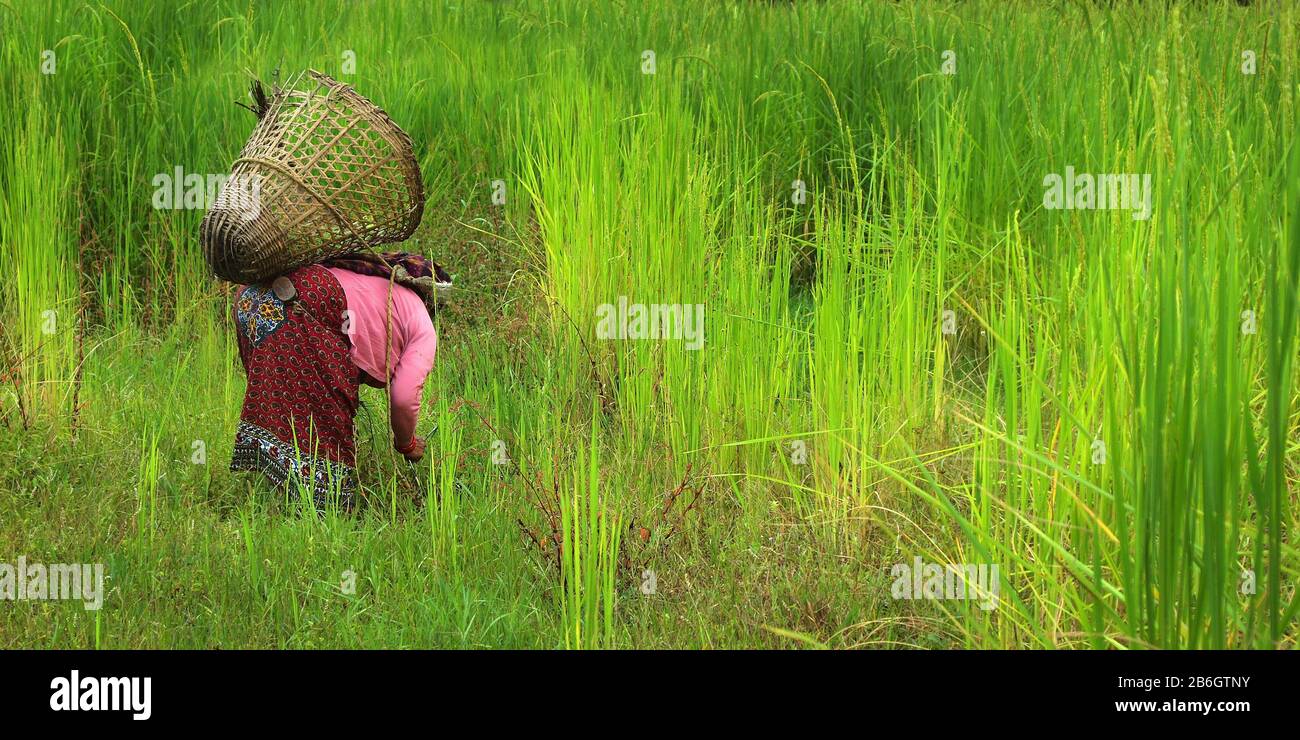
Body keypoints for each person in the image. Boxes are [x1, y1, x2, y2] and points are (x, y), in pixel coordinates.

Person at [228, 252, 446, 510]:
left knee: (275, 395)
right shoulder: (422, 322)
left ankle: (275, 491)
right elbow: (403, 396)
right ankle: (322, 506)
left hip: (250, 297)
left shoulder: (365, 277)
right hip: (306, 302)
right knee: (325, 416)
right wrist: (406, 444)